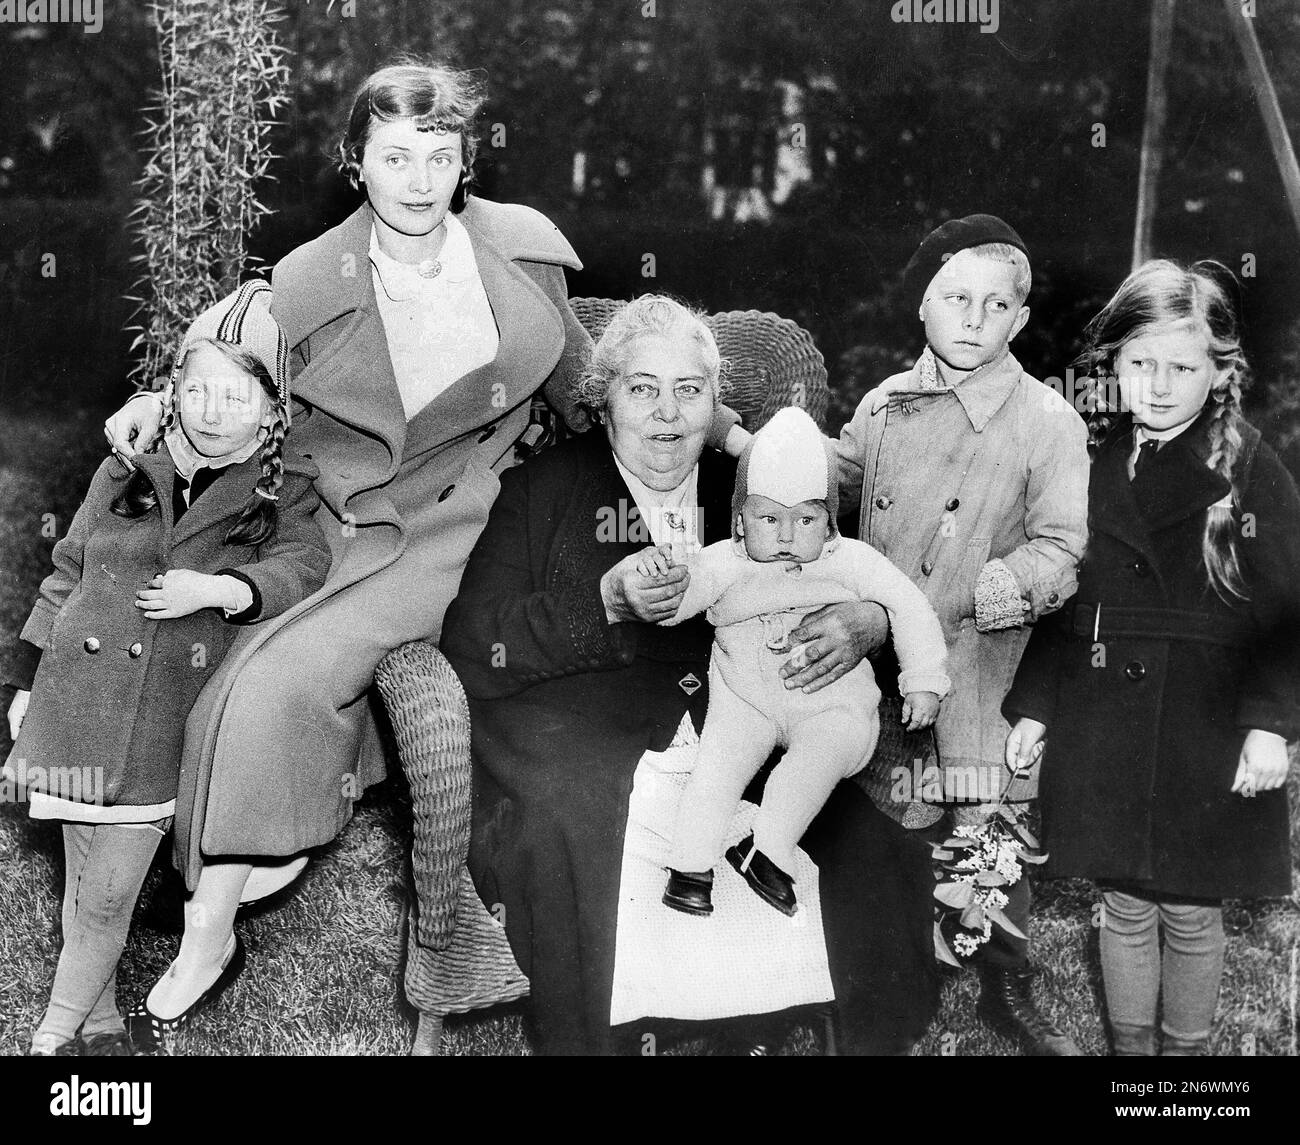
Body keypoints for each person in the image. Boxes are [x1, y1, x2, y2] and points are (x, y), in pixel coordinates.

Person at [100, 59, 597, 1045]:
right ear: (355, 164)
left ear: (464, 164)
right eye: (395, 156)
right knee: (211, 658)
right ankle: (222, 861)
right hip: (330, 526)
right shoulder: (313, 275)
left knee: (271, 686)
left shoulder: (519, 254)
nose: (419, 178)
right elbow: (229, 342)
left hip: (456, 538)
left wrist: (720, 437)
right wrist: (158, 401)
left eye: (440, 156)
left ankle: (207, 924)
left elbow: (591, 385)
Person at [441, 295, 941, 1055]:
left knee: (869, 850)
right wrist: (602, 603)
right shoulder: (544, 489)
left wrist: (867, 622)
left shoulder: (750, 491)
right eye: (642, 389)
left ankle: (813, 1026)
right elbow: (476, 644)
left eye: (690, 390)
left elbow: (862, 576)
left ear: (716, 406)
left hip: (747, 725)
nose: (667, 415)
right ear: (604, 401)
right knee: (578, 831)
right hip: (582, 734)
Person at [725, 213, 1090, 1054]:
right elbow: (837, 477)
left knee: (985, 829)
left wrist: (1002, 584)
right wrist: (752, 441)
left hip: (978, 660)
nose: (973, 317)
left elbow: (1064, 546)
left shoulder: (1045, 420)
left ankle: (1007, 979)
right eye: (954, 297)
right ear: (921, 307)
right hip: (880, 667)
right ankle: (871, 966)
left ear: (1020, 320)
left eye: (995, 304)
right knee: (882, 823)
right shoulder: (886, 403)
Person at [4, 282, 330, 1056]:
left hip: (157, 720)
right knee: (82, 878)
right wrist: (24, 685)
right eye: (198, 388)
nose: (215, 410)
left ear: (271, 408)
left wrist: (220, 588)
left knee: (113, 886)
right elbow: (66, 570)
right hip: (74, 703)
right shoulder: (124, 470)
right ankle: (103, 1016)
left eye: (238, 394)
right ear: (172, 393)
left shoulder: (280, 495)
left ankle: (52, 1033)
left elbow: (304, 566)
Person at [1003, 259, 1300, 1057]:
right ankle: (1134, 1066)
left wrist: (1270, 724)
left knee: (1193, 907)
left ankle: (1186, 1072)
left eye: (1181, 366)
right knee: (1125, 903)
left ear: (1218, 369)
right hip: (1107, 724)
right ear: (1115, 367)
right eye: (1141, 364)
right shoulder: (1096, 463)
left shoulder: (1247, 468)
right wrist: (1035, 703)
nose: (1160, 385)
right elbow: (1067, 597)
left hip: (1205, 723)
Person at [650, 406, 950, 919]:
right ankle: (689, 866)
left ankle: (766, 848)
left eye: (806, 518)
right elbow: (679, 601)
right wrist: (663, 585)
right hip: (747, 697)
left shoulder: (850, 560)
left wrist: (923, 679)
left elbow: (908, 603)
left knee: (824, 754)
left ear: (831, 523)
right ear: (740, 521)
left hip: (827, 702)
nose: (787, 535)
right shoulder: (726, 559)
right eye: (769, 518)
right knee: (719, 766)